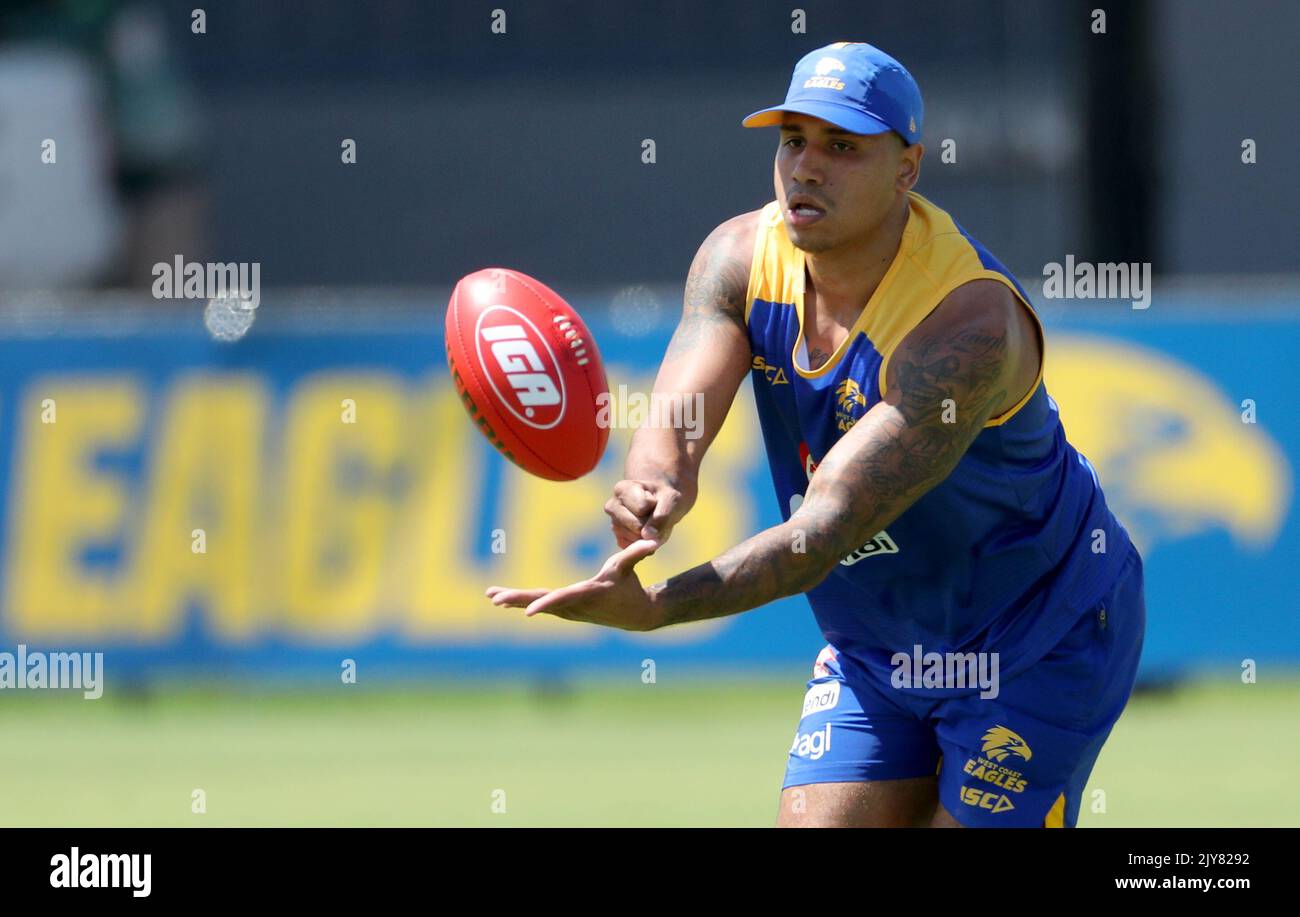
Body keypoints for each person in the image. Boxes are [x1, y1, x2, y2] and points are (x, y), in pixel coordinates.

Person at [488, 41, 1145, 828]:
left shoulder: (964, 324)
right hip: (877, 643)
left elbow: (821, 533)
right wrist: (654, 487)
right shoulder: (737, 259)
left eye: (841, 146)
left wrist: (657, 608)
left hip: (1039, 635)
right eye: (792, 139)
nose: (805, 167)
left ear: (907, 169)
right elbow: (676, 425)